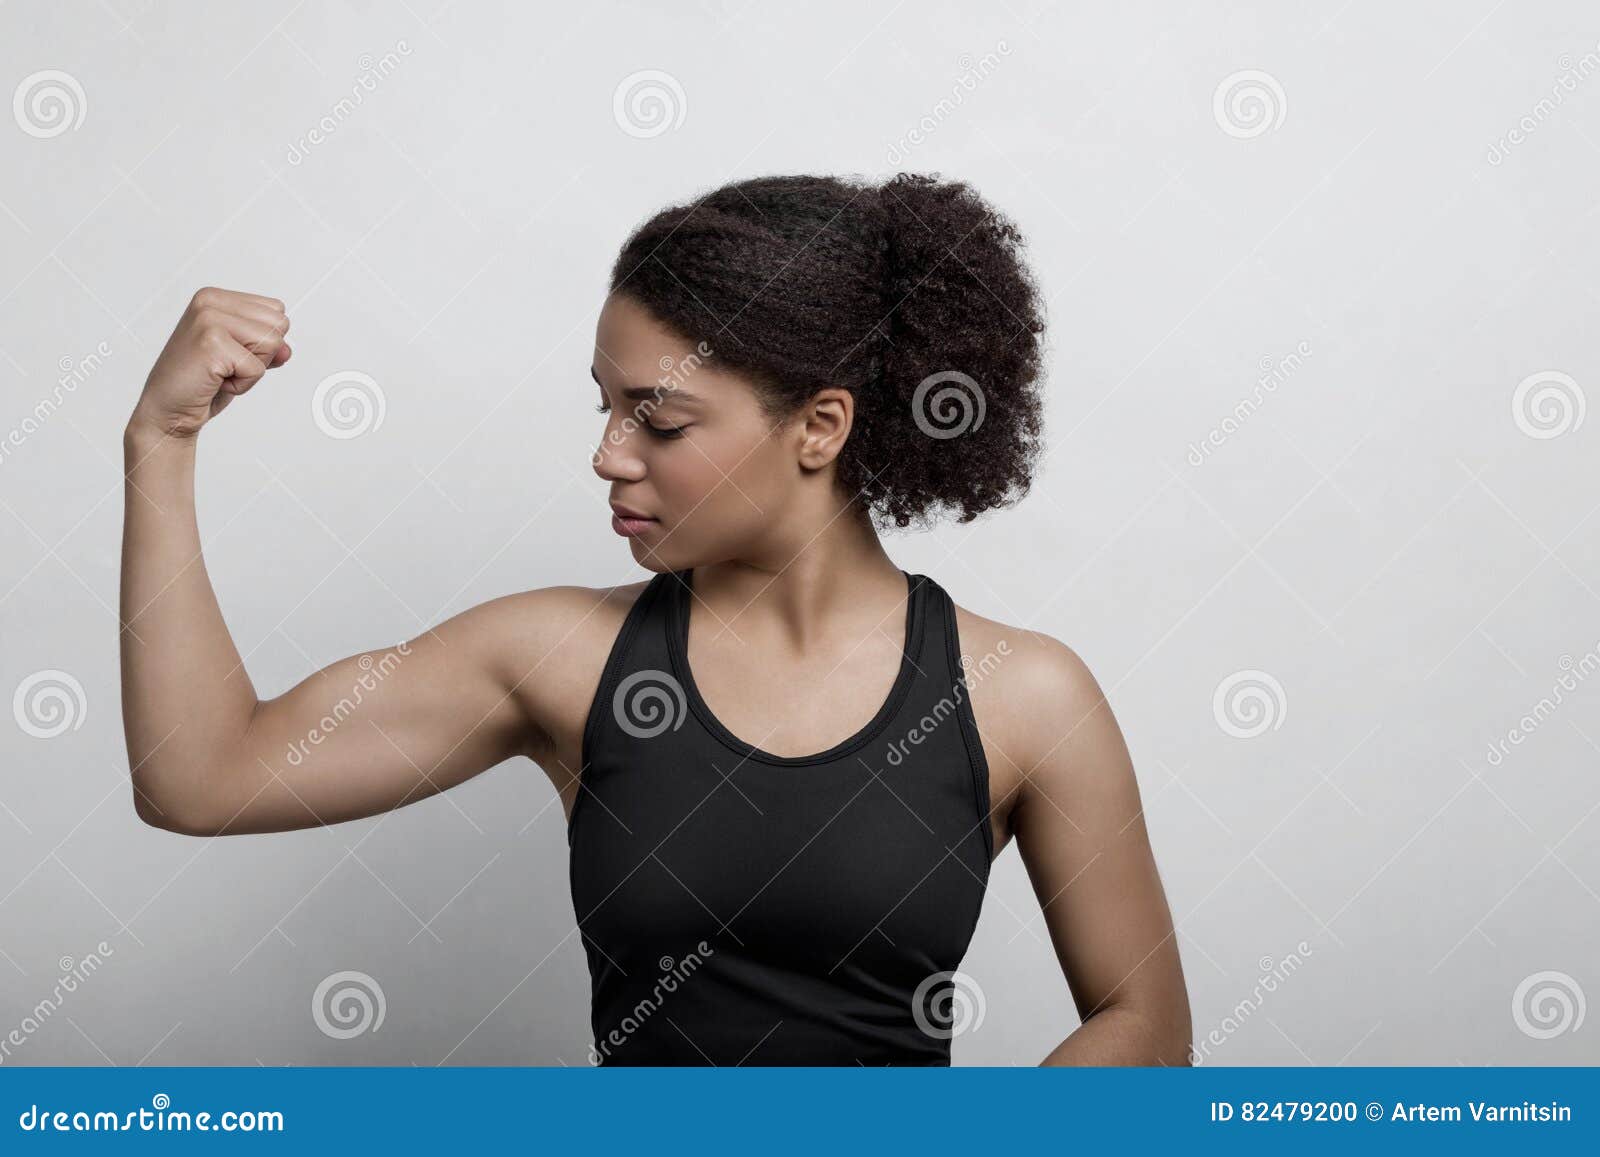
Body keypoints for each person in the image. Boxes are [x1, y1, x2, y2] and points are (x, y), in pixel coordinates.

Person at [119, 172, 1191, 1066]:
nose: (608, 454)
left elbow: (1143, 1024)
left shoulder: (1021, 695)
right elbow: (200, 776)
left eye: (659, 420)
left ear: (821, 426)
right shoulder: (560, 659)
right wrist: (161, 443)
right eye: (607, 405)